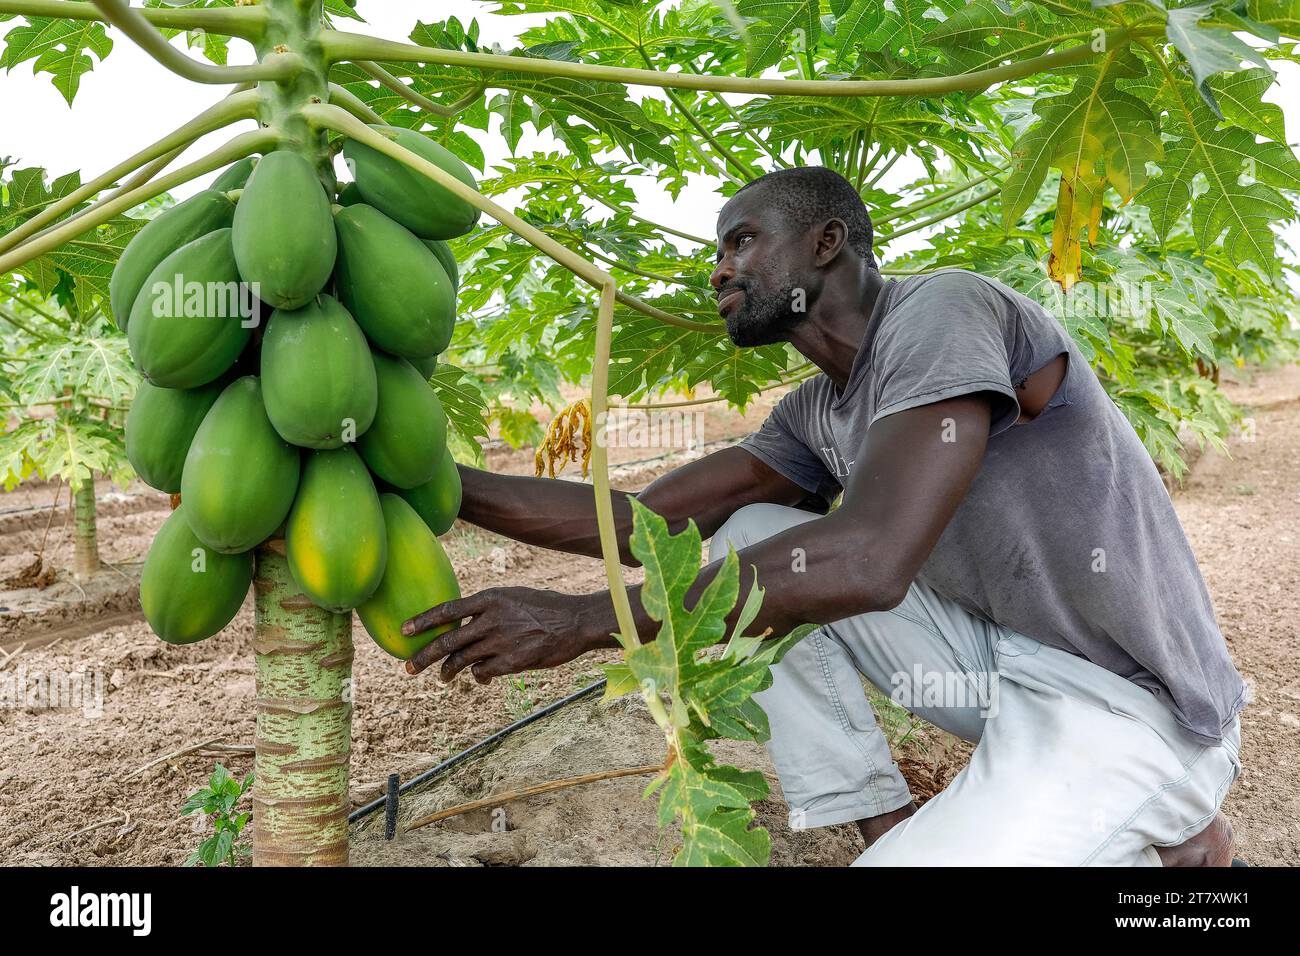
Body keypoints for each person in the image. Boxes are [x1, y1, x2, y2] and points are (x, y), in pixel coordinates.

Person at [400, 166, 1245, 866]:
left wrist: (591, 622)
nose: (719, 270)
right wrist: (423, 478)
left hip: (1128, 702)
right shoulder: (815, 412)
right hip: (1004, 666)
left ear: (827, 242)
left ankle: (1169, 812)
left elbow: (871, 559)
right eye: (717, 253)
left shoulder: (943, 311)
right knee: (750, 537)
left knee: (811, 561)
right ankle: (890, 823)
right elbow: (641, 527)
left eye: (742, 242)